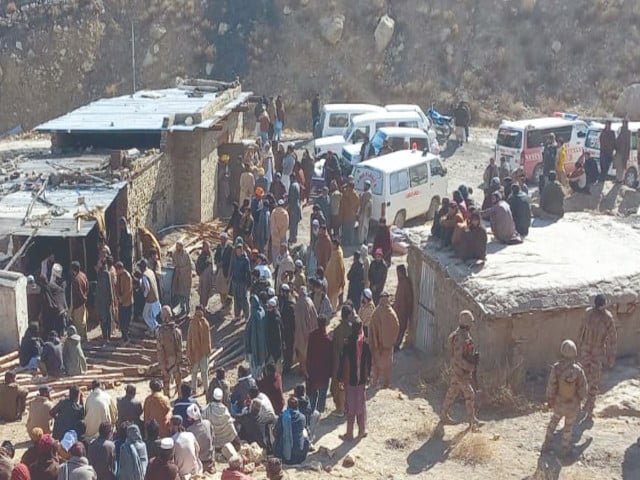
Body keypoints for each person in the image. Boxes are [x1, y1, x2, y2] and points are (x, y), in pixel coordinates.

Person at [542, 339, 588, 457]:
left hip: (559, 403)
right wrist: (582, 400)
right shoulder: (578, 370)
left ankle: (546, 443)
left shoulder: (557, 368)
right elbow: (583, 388)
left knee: (553, 422)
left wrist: (550, 399)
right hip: (572, 405)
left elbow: (551, 385)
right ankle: (564, 450)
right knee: (568, 427)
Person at [439, 311, 482, 430]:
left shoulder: (461, 335)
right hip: (460, 371)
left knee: (452, 391)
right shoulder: (460, 338)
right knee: (470, 395)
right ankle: (472, 422)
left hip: (459, 370)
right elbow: (458, 358)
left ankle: (443, 414)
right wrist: (470, 366)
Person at [579, 294, 617, 421]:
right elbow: (581, 331)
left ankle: (588, 406)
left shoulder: (600, 316)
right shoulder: (598, 315)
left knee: (590, 379)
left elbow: (612, 339)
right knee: (587, 378)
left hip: (591, 351)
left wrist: (610, 356)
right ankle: (585, 405)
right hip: (591, 351)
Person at [338, 319, 372, 441]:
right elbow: (369, 362)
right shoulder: (365, 343)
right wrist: (367, 376)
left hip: (351, 381)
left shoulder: (347, 343)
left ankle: (349, 433)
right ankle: (362, 430)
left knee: (350, 406)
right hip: (361, 380)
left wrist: (341, 379)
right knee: (361, 405)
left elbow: (343, 363)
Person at [369, 292, 399, 388]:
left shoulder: (376, 313)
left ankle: (375, 382)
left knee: (376, 363)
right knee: (388, 364)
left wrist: (374, 341)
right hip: (388, 345)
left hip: (378, 345)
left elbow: (371, 327)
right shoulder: (392, 313)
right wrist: (391, 340)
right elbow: (397, 326)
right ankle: (386, 383)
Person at [305, 315, 332, 414]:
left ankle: (311, 410)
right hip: (324, 372)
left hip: (313, 371)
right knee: (322, 393)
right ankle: (319, 411)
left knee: (312, 393)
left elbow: (308, 353)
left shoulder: (312, 336)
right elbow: (330, 358)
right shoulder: (328, 340)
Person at [330, 306, 353, 416]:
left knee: (338, 385)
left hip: (339, 362)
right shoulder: (351, 329)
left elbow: (335, 346)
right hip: (348, 362)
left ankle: (340, 408)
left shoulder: (338, 329)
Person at [157, 306, 183, 398]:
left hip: (166, 362)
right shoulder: (177, 331)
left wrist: (162, 365)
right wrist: (178, 361)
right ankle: (180, 398)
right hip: (175, 361)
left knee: (166, 385)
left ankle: (166, 401)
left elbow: (160, 350)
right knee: (179, 384)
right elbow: (180, 349)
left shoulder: (160, 332)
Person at [293, 286, 318, 376]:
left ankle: (303, 369)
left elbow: (297, 320)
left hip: (300, 333)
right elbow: (315, 316)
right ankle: (306, 369)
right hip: (310, 330)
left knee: (301, 352)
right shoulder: (310, 301)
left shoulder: (298, 304)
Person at [187, 305, 212, 396]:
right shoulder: (192, 323)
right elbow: (189, 337)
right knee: (194, 372)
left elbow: (208, 338)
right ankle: (194, 389)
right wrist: (188, 350)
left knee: (204, 372)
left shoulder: (205, 323)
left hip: (204, 352)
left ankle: (206, 389)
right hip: (194, 352)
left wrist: (208, 350)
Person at [185, 404, 215, 473]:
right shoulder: (208, 423)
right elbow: (213, 440)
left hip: (199, 460)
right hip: (209, 458)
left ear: (190, 418)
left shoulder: (190, 430)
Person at [245, 294, 268, 379]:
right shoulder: (262, 311)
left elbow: (252, 333)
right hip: (263, 344)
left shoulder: (254, 315)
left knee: (255, 368)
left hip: (254, 345)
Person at [393, 265, 414, 349]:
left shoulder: (405, 283)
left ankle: (397, 345)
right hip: (397, 310)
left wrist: (408, 312)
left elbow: (409, 299)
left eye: (398, 273)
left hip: (403, 311)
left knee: (401, 328)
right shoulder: (401, 282)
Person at [231, 240, 252, 321]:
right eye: (237, 250)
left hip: (242, 282)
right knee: (236, 299)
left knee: (243, 298)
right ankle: (237, 315)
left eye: (239, 250)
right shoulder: (235, 258)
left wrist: (248, 284)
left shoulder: (245, 260)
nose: (238, 252)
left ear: (242, 250)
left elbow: (248, 272)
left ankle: (246, 316)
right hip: (235, 281)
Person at [139, 259, 160, 334]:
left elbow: (147, 287)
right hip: (156, 297)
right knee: (151, 316)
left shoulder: (144, 275)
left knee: (146, 315)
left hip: (150, 300)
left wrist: (144, 295)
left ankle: (155, 329)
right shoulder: (150, 271)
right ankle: (151, 330)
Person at [278, 284, 296, 373]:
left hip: (288, 330)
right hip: (283, 328)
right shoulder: (282, 300)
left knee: (288, 347)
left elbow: (293, 319)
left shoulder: (290, 304)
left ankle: (288, 366)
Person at [171, 241, 192, 315]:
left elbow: (189, 266)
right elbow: (173, 262)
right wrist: (176, 267)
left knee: (186, 295)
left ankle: (188, 310)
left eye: (178, 246)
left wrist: (181, 269)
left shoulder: (186, 255)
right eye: (176, 246)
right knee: (180, 294)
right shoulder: (174, 254)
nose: (177, 248)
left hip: (186, 278)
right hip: (178, 278)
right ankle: (182, 308)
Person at [114, 262, 133, 343]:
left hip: (127, 302)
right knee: (121, 320)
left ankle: (126, 338)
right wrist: (118, 296)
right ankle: (123, 336)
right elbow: (116, 287)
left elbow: (128, 291)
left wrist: (122, 298)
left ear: (120, 269)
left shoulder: (127, 276)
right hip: (121, 301)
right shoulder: (118, 276)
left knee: (126, 321)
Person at [95, 260, 114, 343]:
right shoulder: (99, 273)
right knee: (102, 319)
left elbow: (110, 288)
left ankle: (108, 336)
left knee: (107, 318)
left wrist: (111, 300)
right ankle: (104, 336)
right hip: (100, 300)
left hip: (106, 300)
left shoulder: (107, 274)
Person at [70, 262, 89, 341]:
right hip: (83, 303)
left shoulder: (76, 280)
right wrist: (86, 297)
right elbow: (88, 286)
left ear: (73, 270)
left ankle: (80, 339)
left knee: (78, 324)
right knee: (83, 322)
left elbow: (79, 292)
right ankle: (84, 337)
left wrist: (83, 298)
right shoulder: (83, 275)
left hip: (78, 304)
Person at [265, 297, 285, 372]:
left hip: (276, 346)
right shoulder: (272, 315)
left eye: (269, 307)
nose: (268, 308)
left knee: (277, 364)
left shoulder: (275, 319)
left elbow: (279, 334)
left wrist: (280, 346)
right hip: (271, 344)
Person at [326, 239, 346, 311]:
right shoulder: (334, 252)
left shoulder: (338, 254)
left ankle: (333, 310)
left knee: (334, 295)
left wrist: (341, 279)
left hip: (335, 278)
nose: (331, 245)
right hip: (331, 277)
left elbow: (340, 267)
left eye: (332, 244)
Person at [340, 178, 360, 246]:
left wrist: (345, 185)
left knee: (345, 230)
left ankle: (344, 242)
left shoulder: (346, 192)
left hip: (345, 215)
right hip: (352, 215)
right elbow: (357, 206)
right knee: (351, 230)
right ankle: (350, 242)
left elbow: (341, 189)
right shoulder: (356, 195)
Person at [195, 241, 215, 311]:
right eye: (206, 247)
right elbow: (198, 267)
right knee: (203, 292)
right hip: (204, 278)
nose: (208, 248)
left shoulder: (209, 255)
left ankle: (205, 306)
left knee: (207, 292)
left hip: (209, 277)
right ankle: (202, 307)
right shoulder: (202, 256)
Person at [287, 174, 302, 244]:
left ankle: (291, 238)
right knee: (295, 224)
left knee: (292, 224)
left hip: (293, 207)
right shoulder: (297, 184)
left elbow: (292, 198)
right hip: (297, 206)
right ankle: (295, 237)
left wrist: (290, 207)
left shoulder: (292, 186)